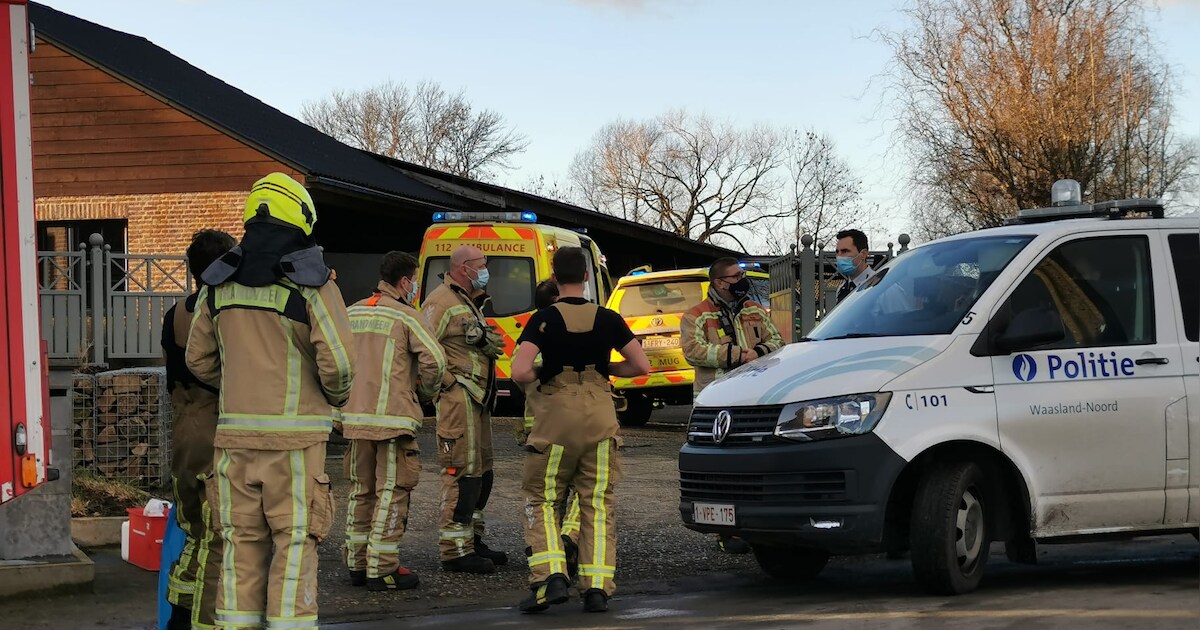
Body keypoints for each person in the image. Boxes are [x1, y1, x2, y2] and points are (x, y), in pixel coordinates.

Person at [186, 172, 354, 630]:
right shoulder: (313, 284)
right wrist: (330, 398)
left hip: (233, 443)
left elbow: (197, 358)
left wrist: (238, 387)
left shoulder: (217, 283)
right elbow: (339, 365)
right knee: (294, 544)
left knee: (239, 546)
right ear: (301, 220)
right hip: (295, 446)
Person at [511, 247, 650, 614]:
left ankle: (551, 576)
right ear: (587, 277)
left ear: (555, 278)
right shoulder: (608, 318)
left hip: (556, 418)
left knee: (542, 499)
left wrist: (545, 372)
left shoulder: (544, 318)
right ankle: (597, 588)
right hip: (600, 415)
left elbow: (520, 371)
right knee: (597, 503)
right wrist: (606, 371)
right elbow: (641, 366)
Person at [342, 251, 447, 592]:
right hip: (392, 420)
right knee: (391, 491)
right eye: (414, 281)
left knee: (361, 491)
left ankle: (357, 563)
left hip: (354, 420)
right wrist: (424, 394)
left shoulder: (351, 313)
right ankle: (383, 567)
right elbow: (436, 363)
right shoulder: (407, 316)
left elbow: (330, 360)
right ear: (405, 282)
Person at [680, 257, 784, 555]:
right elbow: (692, 350)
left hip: (753, 398)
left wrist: (758, 352)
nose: (742, 280)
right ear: (719, 282)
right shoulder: (696, 315)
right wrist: (737, 354)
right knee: (717, 470)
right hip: (715, 402)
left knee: (751, 465)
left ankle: (755, 526)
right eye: (736, 276)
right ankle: (726, 531)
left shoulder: (754, 310)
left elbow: (777, 341)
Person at [163, 229, 235, 630]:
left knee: (193, 530)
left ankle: (179, 613)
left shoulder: (175, 312)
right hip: (215, 426)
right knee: (218, 536)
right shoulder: (222, 311)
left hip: (183, 427)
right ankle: (205, 621)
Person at [422, 245, 507, 573]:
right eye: (481, 265)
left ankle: (472, 540)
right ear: (463, 268)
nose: (486, 270)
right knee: (461, 472)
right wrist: (448, 383)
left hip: (477, 400)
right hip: (459, 400)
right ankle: (455, 551)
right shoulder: (440, 302)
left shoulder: (467, 300)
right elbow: (424, 348)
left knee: (482, 472)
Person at [517, 280, 582, 578]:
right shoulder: (561, 330)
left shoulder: (531, 335)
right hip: (567, 424)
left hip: (537, 429)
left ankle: (551, 548)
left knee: (547, 496)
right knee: (582, 488)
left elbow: (520, 377)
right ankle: (569, 537)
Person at [834, 228, 874, 304]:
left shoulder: (880, 285)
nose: (839, 256)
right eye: (837, 252)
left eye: (845, 251)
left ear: (863, 254)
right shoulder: (841, 289)